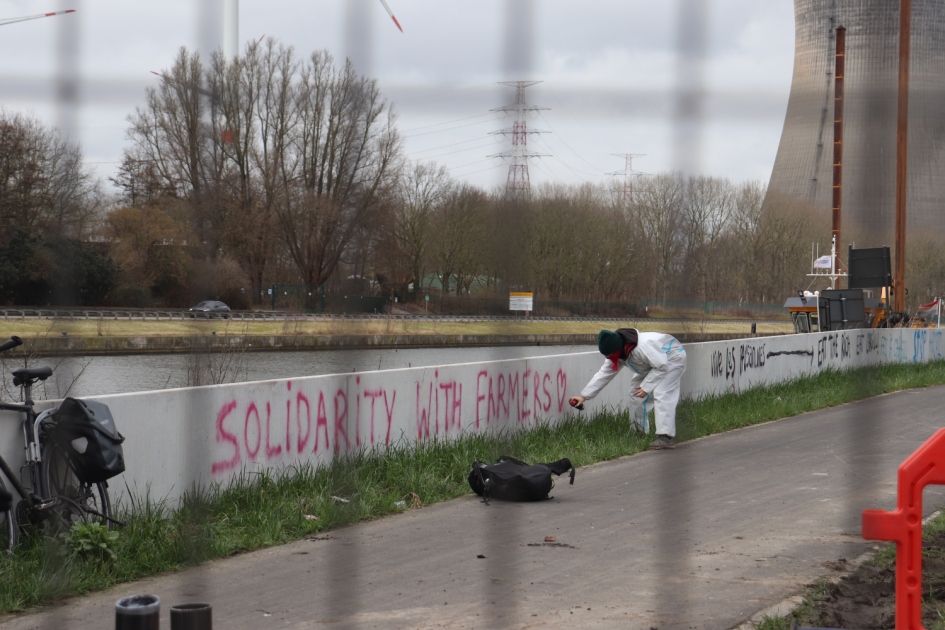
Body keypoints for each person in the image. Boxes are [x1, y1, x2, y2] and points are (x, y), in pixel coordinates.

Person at [569, 328, 687, 450]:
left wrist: (646, 388)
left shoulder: (643, 347)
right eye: (605, 355)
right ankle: (639, 433)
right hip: (651, 364)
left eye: (609, 355)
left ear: (617, 349)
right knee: (635, 393)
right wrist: (584, 396)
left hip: (672, 357)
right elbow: (603, 374)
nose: (607, 358)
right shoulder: (616, 351)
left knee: (662, 392)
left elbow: (662, 366)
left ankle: (666, 437)